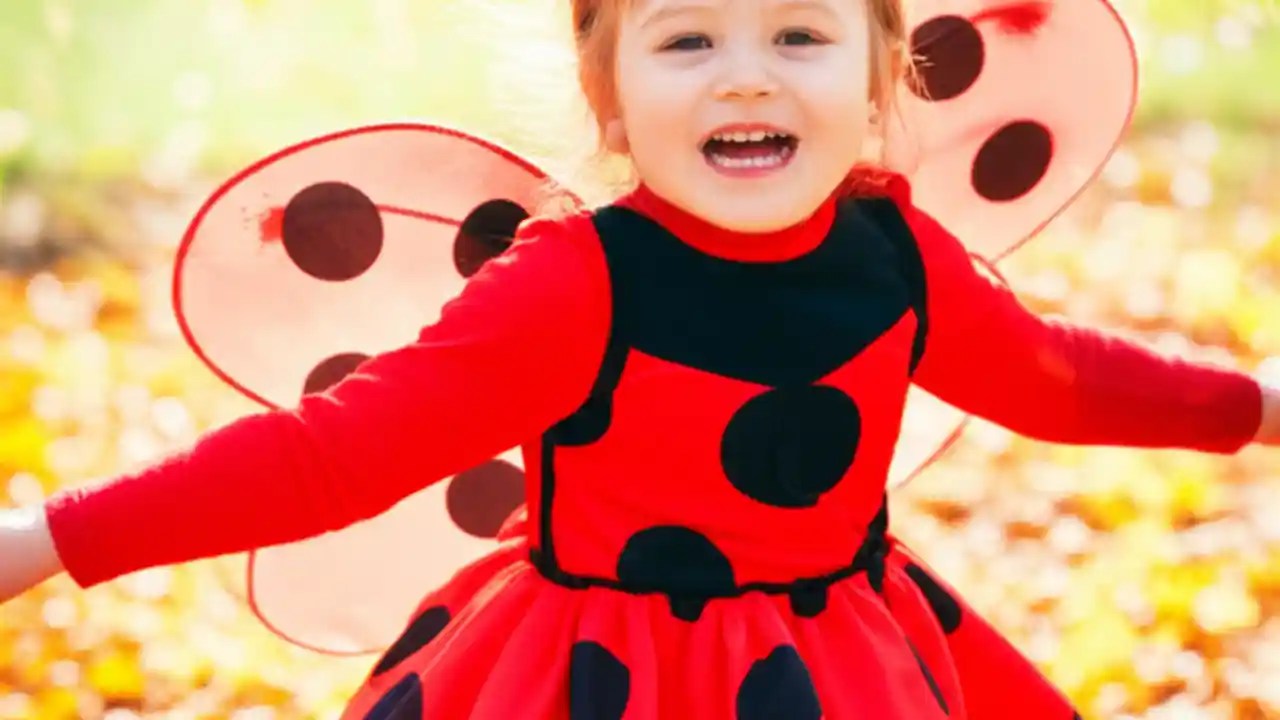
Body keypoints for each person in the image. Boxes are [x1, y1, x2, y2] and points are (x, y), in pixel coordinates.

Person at [2, 0, 1278, 717]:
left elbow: (1057, 379)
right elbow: (331, 459)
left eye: (797, 35)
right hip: (585, 682)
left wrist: (1254, 408)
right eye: (685, 41)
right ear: (605, 90)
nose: (743, 79)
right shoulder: (568, 284)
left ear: (883, 72)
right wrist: (54, 540)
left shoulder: (896, 252)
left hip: (841, 674)